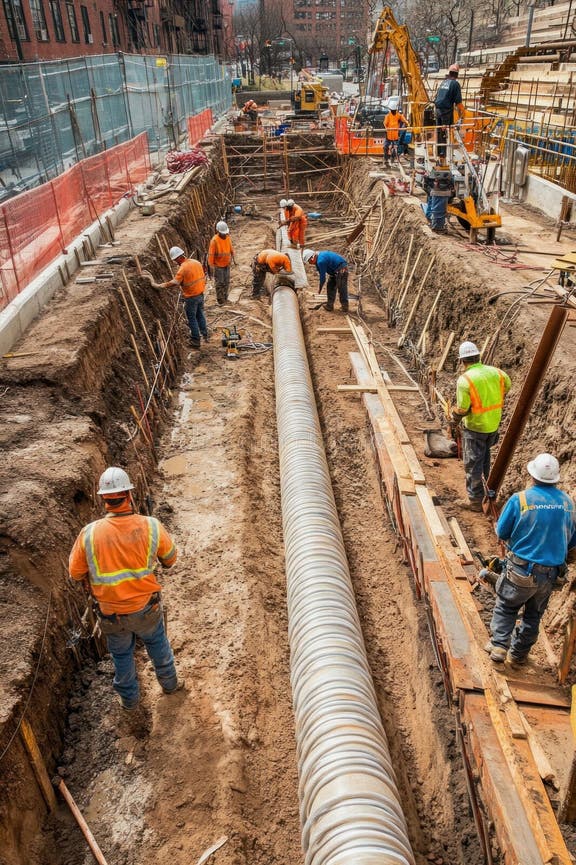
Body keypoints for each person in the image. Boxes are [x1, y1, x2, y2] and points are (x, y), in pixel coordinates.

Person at [69, 467, 182, 709]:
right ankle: (170, 685)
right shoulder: (151, 526)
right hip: (145, 609)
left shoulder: (88, 534)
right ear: (129, 495)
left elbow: (75, 573)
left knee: (121, 656)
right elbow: (171, 559)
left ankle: (130, 702)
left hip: (110, 613)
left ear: (103, 499)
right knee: (158, 646)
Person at [486, 454, 576, 665]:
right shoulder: (568, 503)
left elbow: (502, 532)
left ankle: (499, 646)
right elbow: (572, 540)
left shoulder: (521, 499)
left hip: (521, 569)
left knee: (507, 606)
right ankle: (518, 655)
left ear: (532, 475)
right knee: (533, 616)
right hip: (551, 573)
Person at [451, 340, 511, 510]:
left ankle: (475, 501)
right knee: (484, 459)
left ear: (462, 361)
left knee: (473, 464)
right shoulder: (498, 373)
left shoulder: (465, 380)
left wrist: (453, 419)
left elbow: (462, 409)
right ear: (478, 357)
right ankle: (486, 493)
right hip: (493, 425)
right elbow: (507, 386)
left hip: (475, 427)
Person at [144, 246, 208, 349]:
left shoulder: (183, 268)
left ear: (178, 258)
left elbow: (175, 282)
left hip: (191, 297)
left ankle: (195, 340)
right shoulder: (196, 262)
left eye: (174, 260)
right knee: (200, 314)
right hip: (200, 294)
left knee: (192, 318)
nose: (175, 262)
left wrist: (160, 286)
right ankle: (205, 334)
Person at [434, 64, 465, 160]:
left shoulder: (444, 82)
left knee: (440, 131)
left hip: (438, 110)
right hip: (446, 111)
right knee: (445, 132)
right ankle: (444, 154)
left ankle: (440, 153)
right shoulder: (455, 84)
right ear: (457, 74)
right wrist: (463, 113)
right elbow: (458, 103)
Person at [207, 221, 235, 306]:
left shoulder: (227, 237)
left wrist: (233, 257)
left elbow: (231, 248)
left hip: (227, 264)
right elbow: (211, 255)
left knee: (226, 282)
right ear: (218, 231)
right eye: (223, 233)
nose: (224, 234)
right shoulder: (214, 241)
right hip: (218, 266)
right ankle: (220, 300)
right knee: (220, 283)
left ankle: (225, 298)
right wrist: (211, 267)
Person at [422, 166, 455, 233]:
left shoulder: (434, 172)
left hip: (436, 192)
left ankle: (433, 222)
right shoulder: (445, 173)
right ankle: (437, 227)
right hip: (439, 193)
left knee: (434, 208)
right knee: (438, 211)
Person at [383, 98, 408, 167]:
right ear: (391, 110)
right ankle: (385, 159)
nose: (394, 111)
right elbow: (385, 124)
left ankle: (392, 159)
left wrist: (407, 123)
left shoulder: (398, 115)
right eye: (392, 110)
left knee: (395, 148)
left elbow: (403, 119)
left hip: (395, 135)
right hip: (389, 134)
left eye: (394, 110)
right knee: (385, 147)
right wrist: (387, 129)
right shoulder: (388, 116)